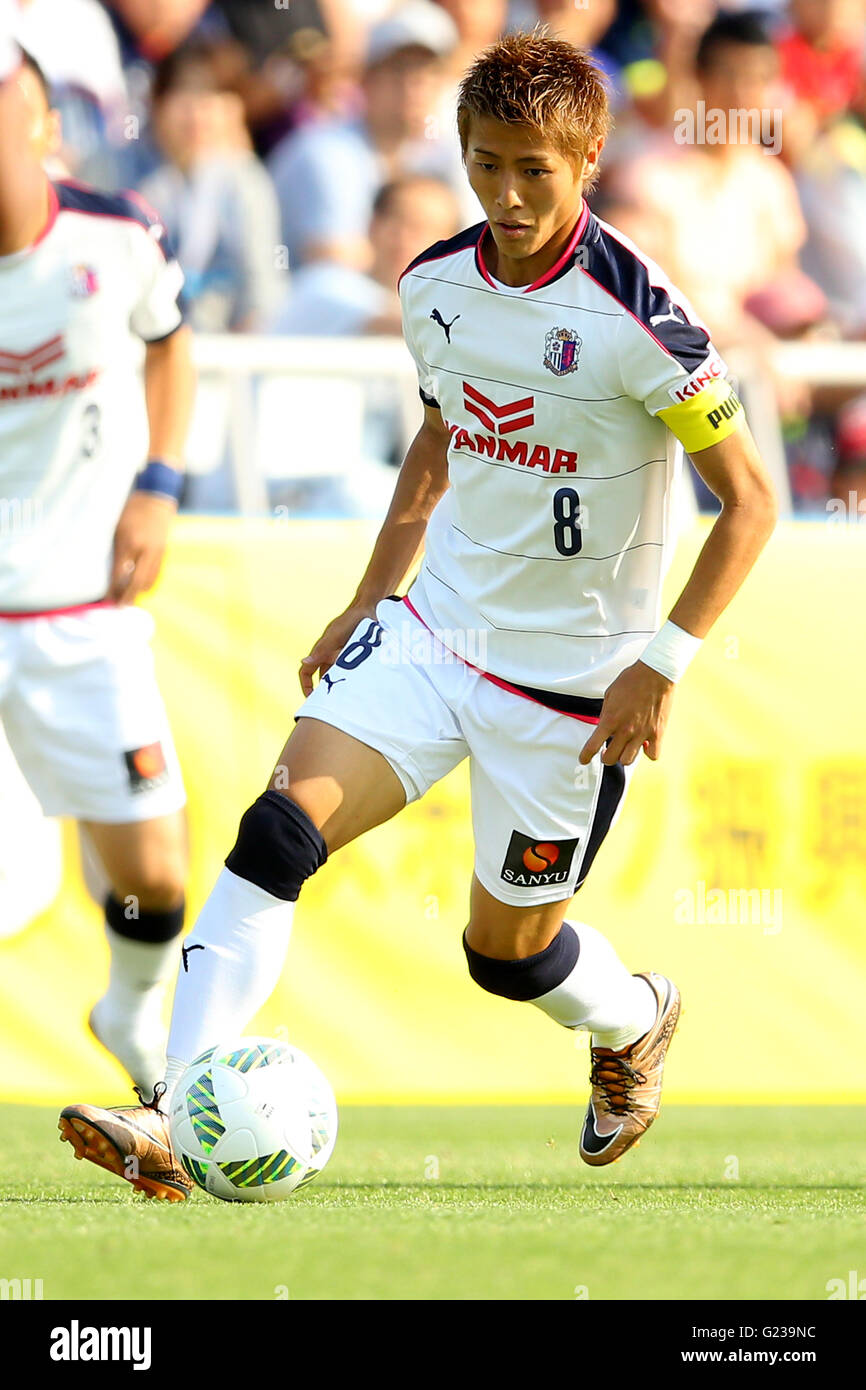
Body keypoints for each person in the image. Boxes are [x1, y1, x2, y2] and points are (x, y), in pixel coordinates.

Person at [59, 31, 776, 1202]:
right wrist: (365, 600)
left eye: (531, 170)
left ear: (586, 158)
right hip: (436, 636)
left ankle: (635, 1017)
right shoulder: (433, 285)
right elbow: (439, 441)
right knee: (278, 830)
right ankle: (171, 1109)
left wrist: (662, 664)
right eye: (484, 163)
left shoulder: (639, 319)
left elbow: (746, 503)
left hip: (573, 692)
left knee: (506, 957)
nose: (504, 194)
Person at [0, 37, 195, 1095]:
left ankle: (128, 1009)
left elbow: (169, 341)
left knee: (154, 882)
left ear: (39, 124)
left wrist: (160, 479)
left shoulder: (114, 237)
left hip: (81, 605)